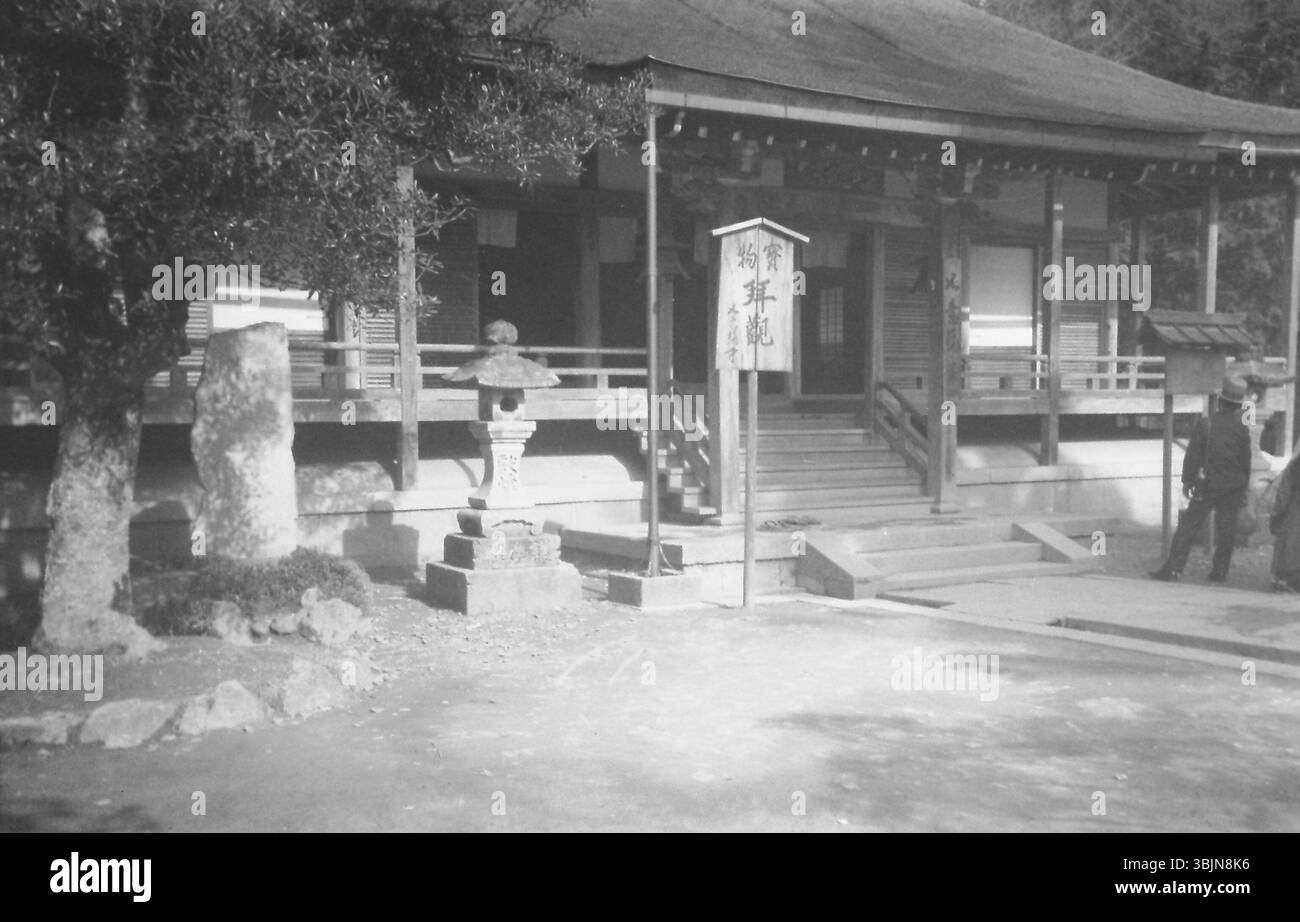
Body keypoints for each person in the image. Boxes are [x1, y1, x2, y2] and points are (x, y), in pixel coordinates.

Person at [1150, 375, 1252, 583]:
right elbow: (1245, 462)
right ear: (1238, 405)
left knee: (1188, 525)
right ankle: (1219, 572)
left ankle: (1174, 569)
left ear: (1220, 400)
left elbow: (1194, 455)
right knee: (1226, 531)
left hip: (1209, 484)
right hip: (1233, 486)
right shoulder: (1242, 429)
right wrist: (1244, 488)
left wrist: (1188, 480)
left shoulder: (1206, 424)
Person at [1269, 449, 1300, 592]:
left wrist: (1276, 514)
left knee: (1290, 542)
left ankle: (1287, 578)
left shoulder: (1295, 463)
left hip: (1295, 510)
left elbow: (1284, 492)